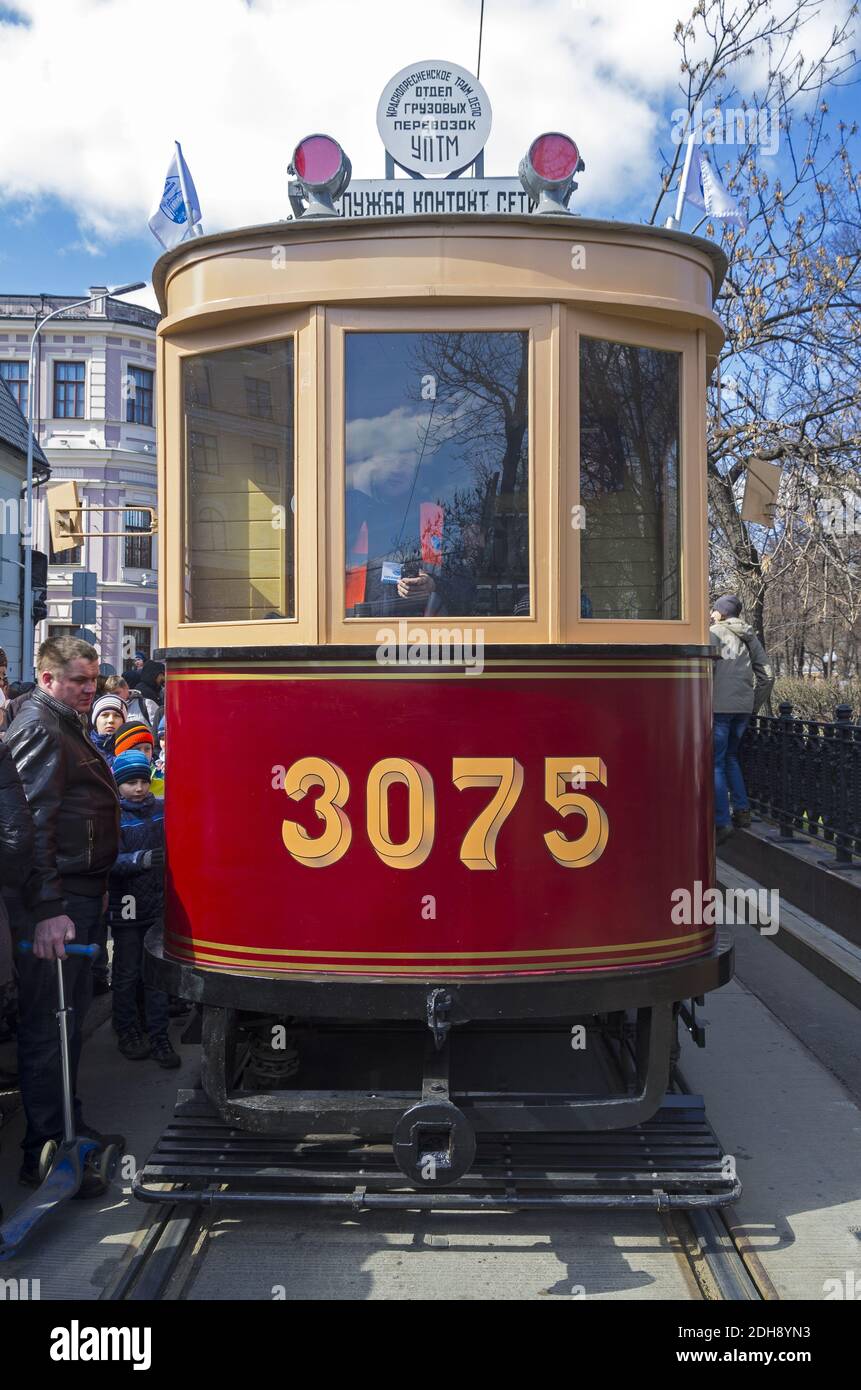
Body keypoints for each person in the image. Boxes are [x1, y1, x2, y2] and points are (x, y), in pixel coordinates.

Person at [4, 636, 122, 1188]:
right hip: (57, 902)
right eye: (79, 681)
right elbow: (29, 824)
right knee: (51, 1022)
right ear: (47, 678)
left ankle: (64, 1129)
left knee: (67, 1018)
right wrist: (49, 905)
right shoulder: (40, 727)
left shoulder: (61, 721)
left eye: (94, 680)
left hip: (75, 893)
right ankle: (44, 1146)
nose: (89, 690)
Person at [108, 750, 178, 1068]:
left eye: (143, 782)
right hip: (126, 907)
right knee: (126, 972)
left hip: (156, 905)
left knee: (156, 975)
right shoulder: (113, 816)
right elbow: (108, 860)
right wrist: (141, 860)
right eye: (131, 783)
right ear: (119, 785)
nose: (138, 788)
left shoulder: (161, 810)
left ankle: (159, 1034)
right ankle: (127, 1029)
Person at [710, 595, 774, 845]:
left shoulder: (712, 633)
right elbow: (767, 676)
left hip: (718, 708)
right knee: (731, 758)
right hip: (743, 709)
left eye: (715, 609)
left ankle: (722, 822)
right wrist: (752, 704)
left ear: (722, 613)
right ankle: (742, 810)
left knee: (715, 763)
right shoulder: (750, 636)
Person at [89, 693, 128, 766]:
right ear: (95, 720)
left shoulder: (130, 751)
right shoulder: (84, 749)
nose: (111, 720)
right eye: (105, 715)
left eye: (117, 716)